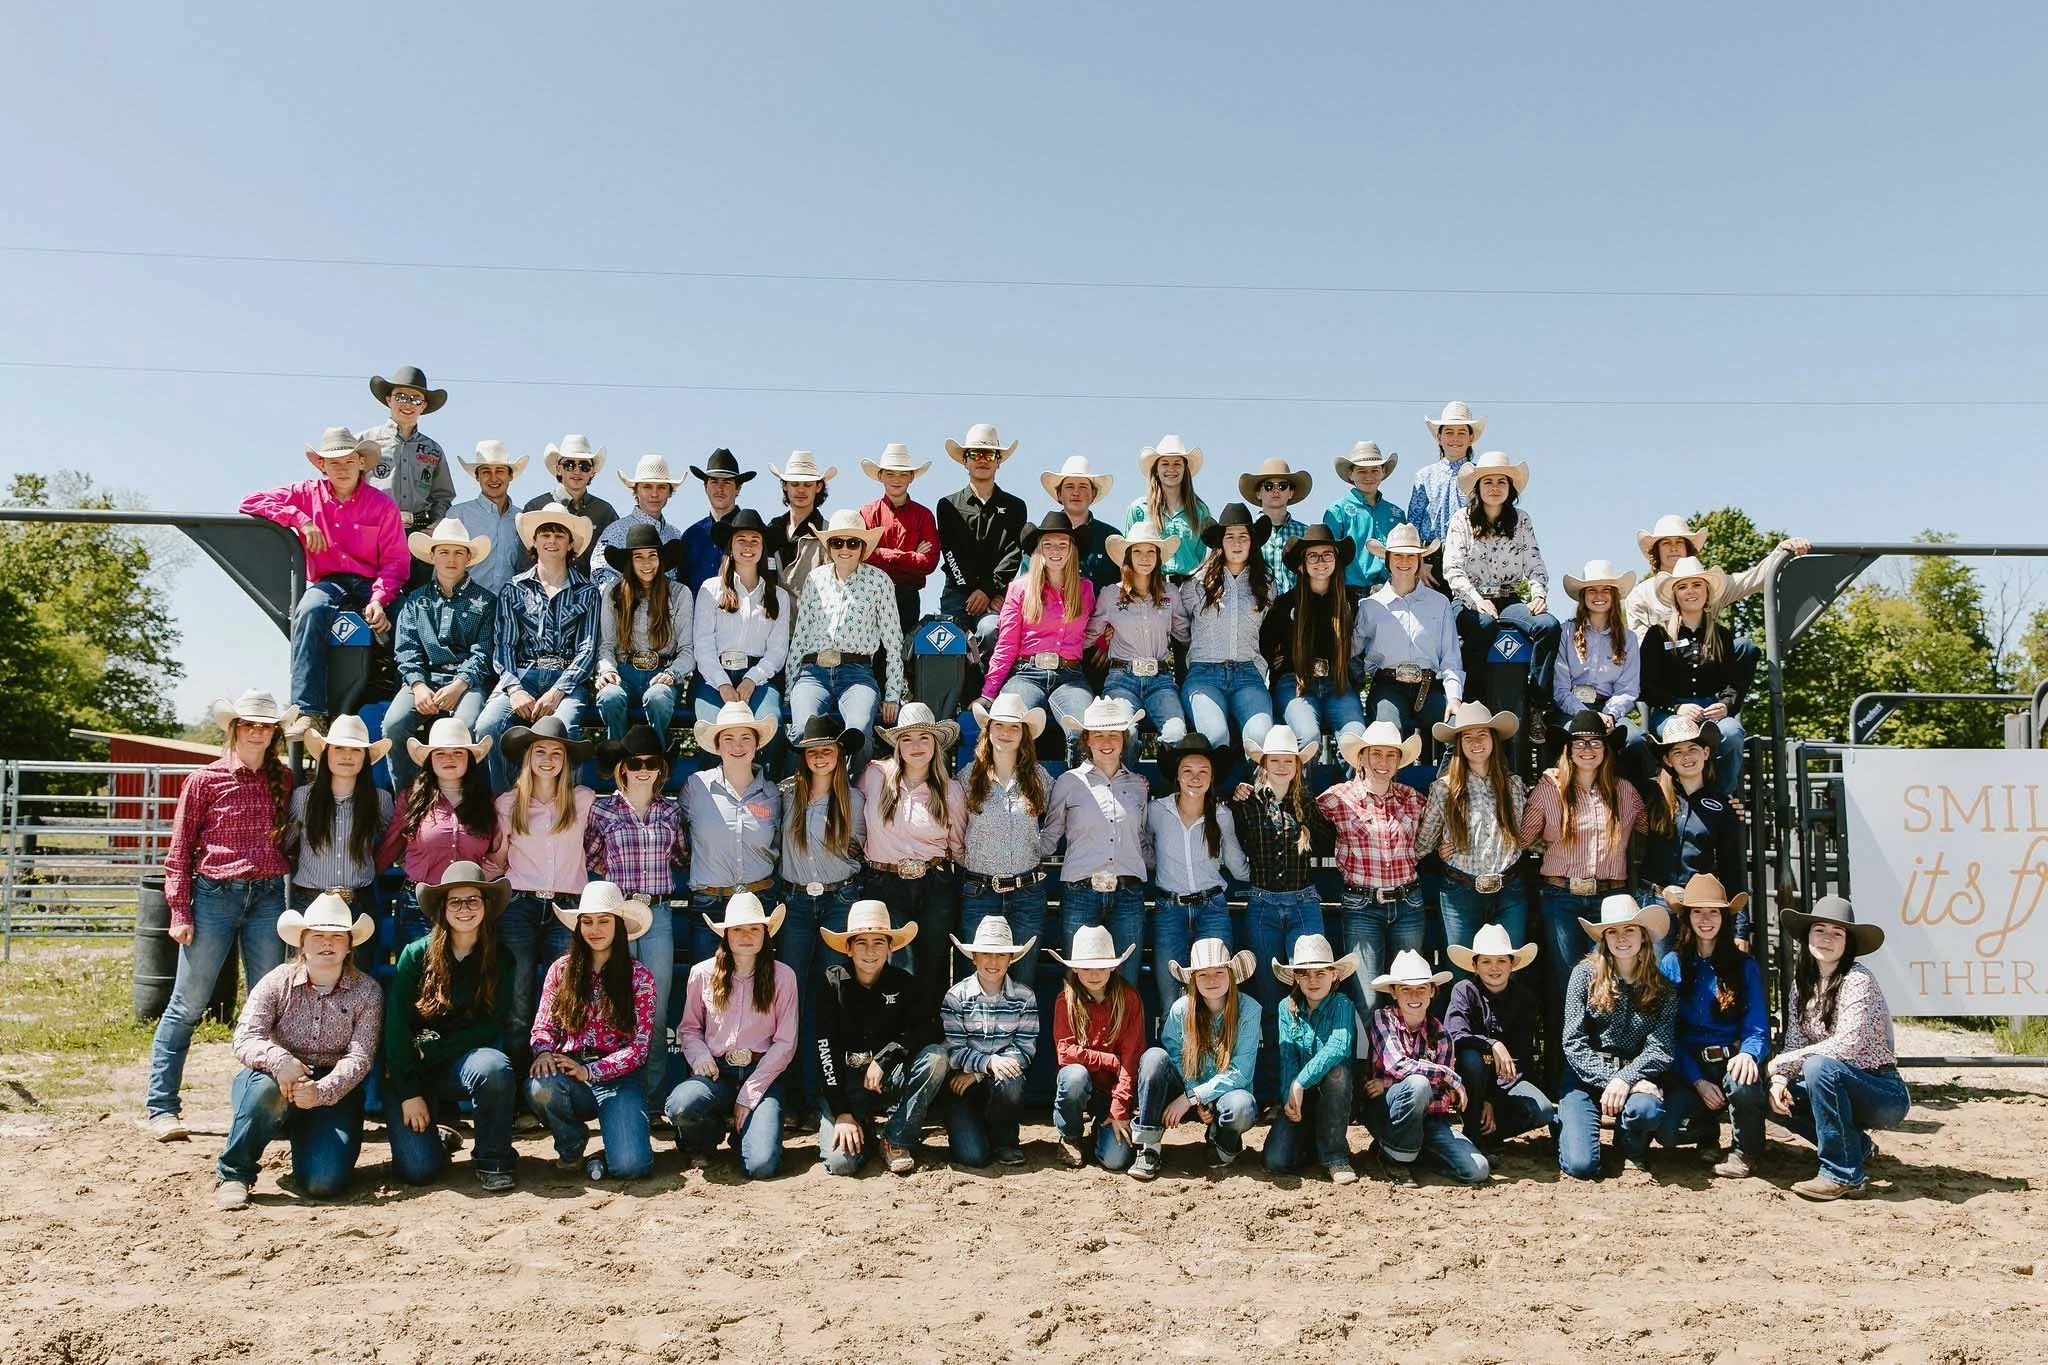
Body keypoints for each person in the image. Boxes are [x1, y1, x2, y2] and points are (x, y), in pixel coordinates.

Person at [144, 690, 295, 1141]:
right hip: (214, 895)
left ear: (273, 733)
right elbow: (179, 851)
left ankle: (265, 1108)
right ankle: (161, 1107)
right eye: (249, 724)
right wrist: (179, 909)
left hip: (268, 895)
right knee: (188, 1002)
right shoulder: (204, 781)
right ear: (234, 728)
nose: (257, 731)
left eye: (265, 726)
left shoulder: (283, 780)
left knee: (269, 1004)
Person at [211, 893, 382, 1209]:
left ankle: (308, 1133)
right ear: (302, 943)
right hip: (277, 1080)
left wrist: (323, 1091)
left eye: (336, 936)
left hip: (334, 1089)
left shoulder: (367, 991)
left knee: (323, 1182)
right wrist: (280, 1060)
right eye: (317, 935)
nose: (326, 943)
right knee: (267, 1090)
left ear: (349, 945)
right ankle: (235, 1173)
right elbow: (245, 1037)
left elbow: (360, 1056)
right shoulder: (278, 981)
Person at [240, 428, 408, 732]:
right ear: (322, 466)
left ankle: (402, 705)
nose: (341, 468)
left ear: (361, 462)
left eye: (347, 460)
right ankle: (308, 710)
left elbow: (396, 563)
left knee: (409, 618)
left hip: (372, 585)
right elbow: (250, 502)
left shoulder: (382, 505)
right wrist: (300, 519)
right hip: (329, 581)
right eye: (333, 462)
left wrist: (379, 600)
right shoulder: (306, 493)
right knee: (309, 610)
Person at [384, 863, 518, 1191]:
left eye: (473, 900)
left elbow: (491, 1025)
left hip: (459, 1064)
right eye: (455, 902)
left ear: (486, 906)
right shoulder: (415, 955)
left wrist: (435, 1047)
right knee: (418, 1171)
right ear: (443, 909)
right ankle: (437, 1139)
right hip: (411, 1071)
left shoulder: (501, 959)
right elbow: (396, 1028)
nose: (464, 909)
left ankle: (493, 1157)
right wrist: (409, 1092)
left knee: (494, 1066)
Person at [1767, 896, 1910, 1201]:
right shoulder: (1802, 983)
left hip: (1881, 1092)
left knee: (1820, 1067)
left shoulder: (1858, 980)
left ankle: (1843, 1175)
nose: (1826, 939)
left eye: (1837, 933)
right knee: (1768, 1094)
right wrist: (1779, 1078)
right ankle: (1856, 1147)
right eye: (1820, 929)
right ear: (1808, 936)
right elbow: (1795, 1039)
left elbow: (1846, 1044)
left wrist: (1782, 1063)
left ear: (1848, 943)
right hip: (1834, 1083)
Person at [526, 882, 657, 1182]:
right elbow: (543, 1025)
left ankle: (602, 1155)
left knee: (631, 1167)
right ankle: (571, 1145)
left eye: (603, 920)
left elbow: (639, 1048)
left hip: (619, 1080)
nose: (594, 929)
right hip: (569, 1075)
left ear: (619, 926)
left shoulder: (640, 977)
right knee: (541, 1087)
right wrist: (544, 1051)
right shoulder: (561, 970)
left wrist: (592, 1071)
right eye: (587, 921)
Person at [1520, 710, 1648, 1017]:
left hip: (1609, 900)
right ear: (1568, 749)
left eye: (1595, 743)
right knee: (1569, 984)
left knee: (1608, 982)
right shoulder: (1550, 789)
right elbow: (1522, 838)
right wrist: (1553, 847)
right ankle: (1569, 1062)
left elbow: (1652, 830)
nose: (1587, 749)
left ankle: (1606, 1057)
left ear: (1606, 751)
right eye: (1579, 743)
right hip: (1561, 897)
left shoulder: (1625, 792)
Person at [583, 726, 686, 1103]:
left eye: (651, 763)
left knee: (655, 1012)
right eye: (635, 763)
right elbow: (593, 858)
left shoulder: (671, 810)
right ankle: (617, 1095)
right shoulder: (602, 808)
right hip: (618, 913)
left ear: (661, 768)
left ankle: (654, 1097)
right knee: (615, 1004)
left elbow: (680, 856)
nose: (643, 770)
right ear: (622, 768)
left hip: (657, 913)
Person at [1231, 723, 1331, 1098]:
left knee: (1312, 992)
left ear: (1297, 764)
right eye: (1275, 760)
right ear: (1265, 762)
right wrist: (1234, 794)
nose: (1282, 766)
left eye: (1288, 760)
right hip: (1262, 904)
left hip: (1304, 901)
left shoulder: (1309, 803)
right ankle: (1276, 1089)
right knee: (1272, 1000)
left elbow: (1330, 840)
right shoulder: (1246, 801)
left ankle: (1313, 1085)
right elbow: (1225, 829)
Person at [669, 892, 799, 1180]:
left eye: (754, 928)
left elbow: (785, 1043)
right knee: (681, 1105)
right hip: (717, 1073)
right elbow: (689, 1028)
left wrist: (749, 1094)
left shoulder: (784, 976)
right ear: (726, 934)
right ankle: (709, 1133)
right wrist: (700, 1056)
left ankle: (746, 1133)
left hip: (762, 1073)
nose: (746, 935)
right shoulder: (702, 973)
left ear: (766, 934)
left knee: (761, 1166)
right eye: (738, 929)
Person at [815, 901, 950, 1176]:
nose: (870, 951)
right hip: (846, 1083)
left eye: (879, 942)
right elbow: (824, 1052)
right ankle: (858, 1123)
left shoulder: (904, 982)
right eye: (861, 942)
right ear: (848, 948)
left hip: (890, 1077)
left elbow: (929, 1028)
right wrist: (841, 1111)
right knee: (841, 1164)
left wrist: (886, 1056)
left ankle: (895, 1137)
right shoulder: (831, 984)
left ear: (891, 947)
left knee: (936, 1057)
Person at [476, 501, 600, 787]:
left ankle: (563, 812)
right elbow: (504, 646)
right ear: (535, 541)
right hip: (521, 675)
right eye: (545, 534)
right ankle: (505, 803)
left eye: (559, 535)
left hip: (566, 679)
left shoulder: (588, 592)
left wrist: (557, 692)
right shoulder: (514, 588)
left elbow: (587, 648)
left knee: (566, 729)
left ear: (571, 543)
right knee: (487, 726)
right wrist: (515, 690)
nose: (552, 541)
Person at [780, 718, 868, 1111]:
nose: (819, 756)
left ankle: (833, 1094)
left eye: (827, 749)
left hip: (841, 900)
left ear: (840, 755)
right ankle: (795, 1092)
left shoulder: (856, 799)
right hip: (796, 903)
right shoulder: (785, 795)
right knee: (792, 995)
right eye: (812, 750)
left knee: (836, 994)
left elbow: (862, 848)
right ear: (803, 756)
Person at [1658, 874, 1769, 1179]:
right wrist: (1697, 1080)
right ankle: (1705, 1135)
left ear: (1724, 917)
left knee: (1742, 1081)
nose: (1705, 919)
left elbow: (1757, 1026)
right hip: (1688, 1065)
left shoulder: (1744, 965)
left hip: (1730, 1059)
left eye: (1713, 912)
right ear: (1687, 917)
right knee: (1667, 1132)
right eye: (1697, 911)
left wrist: (1748, 1054)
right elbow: (1666, 1034)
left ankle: (1746, 1153)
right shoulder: (1671, 964)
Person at [1558, 895, 1676, 1182]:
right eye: (1612, 931)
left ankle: (1630, 1147)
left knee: (1645, 1110)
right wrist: (1615, 1078)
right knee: (1581, 1166)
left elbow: (1661, 1048)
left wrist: (1627, 1079)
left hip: (1634, 1080)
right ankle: (1567, 1124)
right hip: (1584, 1076)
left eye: (1629, 930)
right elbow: (1573, 1043)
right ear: (1604, 938)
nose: (1621, 938)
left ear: (1644, 936)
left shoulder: (1664, 988)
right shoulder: (1583, 975)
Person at [1442, 451, 1559, 736]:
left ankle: (1537, 703)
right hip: (1469, 598)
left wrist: (1538, 594)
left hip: (1509, 597)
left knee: (1548, 626)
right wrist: (1477, 600)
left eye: (1501, 482)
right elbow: (1452, 569)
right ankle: (1474, 700)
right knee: (1483, 624)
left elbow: (1535, 564)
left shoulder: (1522, 520)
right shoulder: (1461, 519)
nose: (1495, 487)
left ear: (1510, 488)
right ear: (1478, 488)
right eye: (1488, 481)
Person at [1317, 721, 1427, 1014]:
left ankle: (1406, 1059)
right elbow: (1296, 807)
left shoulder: (1413, 799)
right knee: (1367, 1000)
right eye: (1375, 754)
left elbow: (1442, 825)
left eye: (1391, 755)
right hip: (1362, 906)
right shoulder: (1337, 798)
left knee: (1409, 990)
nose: (1383, 762)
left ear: (1399, 761)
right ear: (1362, 758)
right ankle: (1371, 1061)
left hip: (1408, 904)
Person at [1041, 696, 1151, 988]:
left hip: (1128, 893)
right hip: (1081, 892)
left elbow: (1143, 838)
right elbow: (1051, 835)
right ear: (1086, 740)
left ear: (1124, 739)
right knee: (1078, 979)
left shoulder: (1139, 785)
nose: (1106, 741)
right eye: (1098, 734)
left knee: (1127, 981)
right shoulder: (1068, 782)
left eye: (1114, 734)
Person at [1128, 939, 1260, 1180]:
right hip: (1184, 1089)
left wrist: (1196, 1097)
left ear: (1231, 975)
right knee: (1153, 1057)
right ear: (1193, 979)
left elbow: (1241, 1071)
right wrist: (1192, 1095)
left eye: (1219, 972)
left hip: (1224, 1093)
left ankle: (1221, 1141)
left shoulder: (1249, 1010)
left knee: (1241, 1107)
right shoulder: (1181, 1009)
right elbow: (1175, 1055)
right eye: (1203, 975)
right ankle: (1149, 1146)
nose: (1212, 981)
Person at [383, 518, 498, 788]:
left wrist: (458, 686)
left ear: (469, 557)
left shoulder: (486, 602)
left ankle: (465, 798)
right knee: (393, 725)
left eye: (459, 552)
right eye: (444, 552)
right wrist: (419, 686)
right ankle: (408, 797)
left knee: (466, 725)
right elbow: (406, 649)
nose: (451, 559)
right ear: (432, 556)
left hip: (466, 682)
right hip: (424, 679)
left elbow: (483, 651)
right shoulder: (415, 601)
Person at [859, 704, 965, 996]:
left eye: (924, 738)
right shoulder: (875, 776)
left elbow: (957, 844)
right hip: (884, 882)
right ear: (897, 746)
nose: (916, 746)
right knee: (895, 965)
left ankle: (929, 1035)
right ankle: (894, 1037)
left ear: (935, 744)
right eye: (907, 738)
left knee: (933, 965)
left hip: (934, 883)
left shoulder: (950, 790)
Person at [1361, 949, 1491, 1186]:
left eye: (1422, 988)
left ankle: (1407, 1151)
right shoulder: (1383, 1019)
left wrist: (1388, 1083)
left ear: (1432, 991)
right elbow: (1397, 1063)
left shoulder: (1441, 1034)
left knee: (1477, 1170)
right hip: (1386, 1112)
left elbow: (1443, 1097)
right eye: (1406, 989)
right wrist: (1443, 1075)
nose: (1414, 995)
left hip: (1431, 1119)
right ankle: (1396, 1159)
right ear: (1393, 992)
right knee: (1418, 1084)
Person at [1418, 702, 1529, 967]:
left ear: (1493, 740)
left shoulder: (1513, 785)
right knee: (1460, 970)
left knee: (1507, 968)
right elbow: (1422, 844)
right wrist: (1437, 848)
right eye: (1467, 737)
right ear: (1459, 744)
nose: (1476, 742)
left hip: (1508, 888)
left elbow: (1527, 836)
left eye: (1482, 735)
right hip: (1461, 891)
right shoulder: (1444, 788)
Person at [979, 511, 1099, 756]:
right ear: (1039, 550)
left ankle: (1077, 792)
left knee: (1083, 732)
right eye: (1048, 545)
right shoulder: (1020, 588)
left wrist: (1106, 642)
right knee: (1009, 725)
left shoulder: (1085, 589)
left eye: (1062, 544)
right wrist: (988, 693)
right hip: (1026, 674)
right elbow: (1006, 644)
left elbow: (1097, 626)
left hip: (1070, 676)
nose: (1055, 550)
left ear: (1072, 550)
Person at [376, 718, 502, 950]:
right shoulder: (411, 799)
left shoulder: (487, 803)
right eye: (440, 753)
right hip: (419, 904)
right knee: (420, 979)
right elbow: (390, 846)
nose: (449, 759)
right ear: (429, 760)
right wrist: (364, 876)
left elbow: (498, 853)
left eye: (458, 752)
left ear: (470, 759)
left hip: (469, 906)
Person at [1146, 734, 1250, 1013]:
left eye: (1203, 771)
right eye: (1187, 771)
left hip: (1212, 909)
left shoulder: (1221, 814)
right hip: (1170, 909)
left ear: (1212, 777)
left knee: (1217, 995)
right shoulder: (1156, 811)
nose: (1195, 778)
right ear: (1177, 777)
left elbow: (1236, 863)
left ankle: (1218, 1053)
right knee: (1171, 994)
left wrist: (1265, 874)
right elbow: (1144, 850)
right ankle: (1177, 1054)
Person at [787, 509, 909, 744]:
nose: (844, 549)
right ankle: (806, 781)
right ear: (828, 547)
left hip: (857, 674)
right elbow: (801, 637)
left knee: (859, 731)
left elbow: (894, 642)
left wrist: (892, 695)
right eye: (837, 542)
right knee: (803, 731)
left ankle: (850, 780)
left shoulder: (880, 581)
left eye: (852, 543)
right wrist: (789, 687)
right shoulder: (814, 579)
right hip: (813, 673)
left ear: (863, 547)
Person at [1638, 556, 1757, 796]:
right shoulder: (1658, 634)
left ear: (1707, 592)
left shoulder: (1722, 635)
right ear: (1675, 595)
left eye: (1696, 585)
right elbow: (1647, 684)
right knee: (1681, 731)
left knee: (1733, 733)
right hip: (1669, 711)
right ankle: (1675, 800)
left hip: (1710, 709)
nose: (1690, 592)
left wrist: (1724, 706)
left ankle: (1721, 798)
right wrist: (1677, 707)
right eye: (1682, 586)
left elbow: (1732, 683)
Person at [959, 696, 1055, 985]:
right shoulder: (967, 778)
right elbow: (955, 828)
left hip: (1027, 893)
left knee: (1023, 979)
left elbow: (1059, 817)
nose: (1005, 732)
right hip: (979, 891)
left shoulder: (1040, 778)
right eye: (998, 725)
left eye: (1014, 727)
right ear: (987, 730)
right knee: (976, 981)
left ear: (1024, 734)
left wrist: (1040, 848)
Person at [681, 702, 783, 967]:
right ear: (717, 745)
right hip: (709, 904)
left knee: (759, 989)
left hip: (759, 904)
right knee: (707, 989)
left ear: (757, 744)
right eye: (729, 738)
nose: (737, 746)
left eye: (745, 738)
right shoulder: (696, 786)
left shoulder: (773, 794)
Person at [493, 717, 596, 974]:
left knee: (564, 990)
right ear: (528, 757)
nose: (548, 759)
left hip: (568, 906)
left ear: (565, 760)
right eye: (540, 751)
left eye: (556, 753)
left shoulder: (584, 800)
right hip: (519, 906)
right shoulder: (508, 804)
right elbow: (498, 858)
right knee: (518, 991)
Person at [1639, 715, 1749, 947]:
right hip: (1657, 902)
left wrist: (1740, 929)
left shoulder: (1722, 806)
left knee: (1700, 977)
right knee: (1660, 978)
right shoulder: (1651, 796)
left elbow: (1732, 867)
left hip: (1701, 908)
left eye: (1693, 748)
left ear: (1706, 753)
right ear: (1668, 760)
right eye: (1677, 752)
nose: (1686, 757)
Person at [1445, 924, 1556, 1152]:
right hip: (1471, 1079)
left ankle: (1488, 1133)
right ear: (1475, 966)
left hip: (1508, 1080)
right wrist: (1492, 1044)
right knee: (1472, 1059)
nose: (1494, 968)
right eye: (1486, 961)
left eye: (1501, 961)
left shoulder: (1524, 999)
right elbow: (1455, 1035)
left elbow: (1522, 1056)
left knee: (1542, 1109)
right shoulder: (1464, 990)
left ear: (1512, 964)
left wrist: (1493, 1101)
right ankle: (1473, 1131)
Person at [1260, 524, 1367, 755]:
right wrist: (1282, 664)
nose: (1321, 561)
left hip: (1337, 683)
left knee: (1356, 736)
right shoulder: (1285, 604)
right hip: (1295, 683)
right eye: (1313, 556)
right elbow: (1266, 644)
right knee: (1308, 736)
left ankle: (1350, 791)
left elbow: (1361, 646)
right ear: (1302, 564)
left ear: (1337, 560)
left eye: (1327, 554)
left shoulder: (1350, 603)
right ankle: (1301, 791)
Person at [941, 915, 1039, 1168]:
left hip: (994, 1079)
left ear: (1011, 959)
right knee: (973, 1157)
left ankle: (1005, 1141)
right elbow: (953, 1050)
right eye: (986, 954)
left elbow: (1025, 1050)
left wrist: (982, 1071)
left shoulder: (1025, 997)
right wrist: (990, 1062)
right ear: (974, 957)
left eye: (1001, 955)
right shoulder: (956, 996)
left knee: (1011, 1079)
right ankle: (974, 1129)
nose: (993, 962)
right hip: (961, 1086)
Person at [1262, 934, 1361, 1184]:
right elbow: (1287, 1057)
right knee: (1276, 1161)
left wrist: (1300, 1083)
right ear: (1295, 977)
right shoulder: (1287, 1007)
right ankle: (1312, 1141)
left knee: (1338, 1073)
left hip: (1333, 1099)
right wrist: (1288, 1097)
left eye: (1320, 973)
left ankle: (1336, 1155)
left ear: (1334, 975)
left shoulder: (1342, 1004)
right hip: (1300, 1097)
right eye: (1304, 974)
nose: (1312, 980)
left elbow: (1339, 1046)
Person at [687, 507, 790, 739]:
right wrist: (723, 683)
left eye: (755, 540)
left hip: (758, 678)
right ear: (730, 547)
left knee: (770, 724)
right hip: (713, 677)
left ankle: (766, 775)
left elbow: (777, 650)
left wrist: (751, 679)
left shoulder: (779, 597)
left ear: (763, 548)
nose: (748, 546)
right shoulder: (710, 589)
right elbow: (703, 646)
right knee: (712, 730)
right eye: (740, 540)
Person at [1180, 502, 1276, 752]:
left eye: (1243, 536)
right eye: (1229, 536)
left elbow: (1267, 630)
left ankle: (1255, 791)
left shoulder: (1266, 584)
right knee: (1215, 736)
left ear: (1252, 541)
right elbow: (1178, 624)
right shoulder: (1195, 584)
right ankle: (1216, 792)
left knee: (1260, 737)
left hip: (1248, 674)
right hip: (1204, 674)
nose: (1236, 543)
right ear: (1220, 543)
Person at [1624, 513, 1812, 638]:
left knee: (1745, 648)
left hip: (1708, 667)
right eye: (1666, 543)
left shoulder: (1711, 585)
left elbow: (1754, 578)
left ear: (1688, 548)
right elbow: (1640, 646)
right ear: (1656, 551)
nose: (1673, 547)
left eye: (1679, 542)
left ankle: (1728, 699)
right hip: (1663, 674)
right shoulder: (1639, 595)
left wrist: (1782, 551)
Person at [1048, 926, 1144, 1171]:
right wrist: (1109, 1060)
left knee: (1116, 1160)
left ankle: (1100, 1132)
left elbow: (1131, 1058)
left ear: (1113, 967)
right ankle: (1070, 1135)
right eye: (1087, 967)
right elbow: (1065, 1053)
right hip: (1081, 1087)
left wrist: (1119, 1106)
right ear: (1075, 969)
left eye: (1101, 967)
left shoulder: (1129, 999)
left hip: (1113, 1090)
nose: (1094, 974)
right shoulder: (1066, 1000)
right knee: (1073, 1076)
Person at [1089, 521, 1190, 745]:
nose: (1144, 557)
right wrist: (1103, 641)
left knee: (1176, 735)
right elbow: (1088, 635)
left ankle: (1167, 780)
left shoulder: (1170, 593)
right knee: (1127, 735)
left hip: (1161, 679)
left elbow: (1185, 634)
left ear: (1158, 557)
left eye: (1150, 551)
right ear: (1128, 556)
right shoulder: (1110, 594)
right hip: (1121, 680)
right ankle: (1123, 780)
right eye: (1137, 551)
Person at [593, 523, 695, 743]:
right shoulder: (613, 592)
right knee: (610, 697)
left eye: (652, 556)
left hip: (662, 672)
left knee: (657, 697)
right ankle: (618, 754)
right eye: (638, 557)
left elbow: (688, 650)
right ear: (630, 561)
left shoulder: (679, 593)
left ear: (661, 559)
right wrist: (607, 671)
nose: (646, 563)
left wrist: (672, 674)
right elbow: (606, 645)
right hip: (624, 672)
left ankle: (656, 758)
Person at [286, 716, 393, 921]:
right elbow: (287, 844)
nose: (347, 756)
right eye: (339, 748)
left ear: (365, 758)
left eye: (356, 750)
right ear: (326, 754)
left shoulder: (381, 801)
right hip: (309, 901)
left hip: (359, 902)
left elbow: (388, 844)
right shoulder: (302, 798)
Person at [935, 423, 1028, 653]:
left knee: (991, 632)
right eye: (974, 454)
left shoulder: (1015, 507)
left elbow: (1013, 554)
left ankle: (989, 690)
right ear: (964, 461)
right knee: (948, 643)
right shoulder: (948, 505)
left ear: (999, 461)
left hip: (996, 595)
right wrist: (973, 592)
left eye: (989, 454)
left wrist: (988, 591)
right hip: (957, 594)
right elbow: (950, 553)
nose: (982, 460)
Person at [1553, 559, 1641, 745]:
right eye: (1592, 590)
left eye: (1606, 590)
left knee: (1635, 740)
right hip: (1573, 708)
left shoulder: (1629, 638)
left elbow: (1628, 688)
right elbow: (1560, 688)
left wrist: (1609, 714)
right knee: (1570, 737)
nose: (1599, 595)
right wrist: (1588, 715)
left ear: (1614, 595)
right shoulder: (1565, 633)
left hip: (1610, 708)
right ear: (1583, 595)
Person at [362, 365, 454, 534]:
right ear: (389, 399)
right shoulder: (364, 441)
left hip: (418, 532)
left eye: (416, 399)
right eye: (401, 396)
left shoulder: (433, 450)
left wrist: (432, 527)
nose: (408, 403)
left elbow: (443, 496)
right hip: (372, 531)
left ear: (423, 405)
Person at [859, 442, 939, 634]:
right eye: (890, 473)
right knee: (871, 656)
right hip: (871, 595)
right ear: (880, 476)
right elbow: (863, 556)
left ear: (911, 477)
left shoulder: (924, 515)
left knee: (904, 653)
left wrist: (881, 553)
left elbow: (929, 563)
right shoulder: (866, 513)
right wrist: (911, 556)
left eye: (903, 473)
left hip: (907, 597)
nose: (897, 479)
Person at [1407, 401, 1483, 586]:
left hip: (1470, 553)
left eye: (1461, 432)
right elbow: (1413, 523)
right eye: (1449, 432)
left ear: (1471, 438)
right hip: (1431, 558)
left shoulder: (1481, 475)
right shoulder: (1424, 476)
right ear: (1439, 437)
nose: (1454, 438)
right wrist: (1419, 562)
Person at [522, 435, 617, 576]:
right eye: (569, 465)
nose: (577, 471)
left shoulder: (604, 512)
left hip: (592, 594)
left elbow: (615, 557)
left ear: (592, 472)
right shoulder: (536, 507)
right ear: (559, 469)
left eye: (584, 466)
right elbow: (525, 561)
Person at [591, 453, 686, 590]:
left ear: (669, 492)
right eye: (647, 487)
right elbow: (601, 578)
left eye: (661, 487)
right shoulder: (615, 531)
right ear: (636, 491)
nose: (654, 494)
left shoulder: (676, 535)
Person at [1321, 442, 1407, 592]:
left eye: (1375, 470)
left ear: (1383, 472)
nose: (1369, 476)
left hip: (1392, 592)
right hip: (1350, 593)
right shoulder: (1338, 511)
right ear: (1351, 473)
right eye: (1362, 471)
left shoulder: (1397, 514)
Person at [1124, 435, 1212, 579]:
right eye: (1165, 464)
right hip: (1151, 586)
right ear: (1156, 470)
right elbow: (1128, 554)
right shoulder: (1139, 509)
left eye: (1177, 464)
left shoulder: (1200, 511)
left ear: (1185, 470)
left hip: (1189, 587)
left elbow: (1201, 556)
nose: (1171, 469)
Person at [448, 441, 526, 596]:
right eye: (486, 472)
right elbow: (442, 571)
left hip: (508, 610)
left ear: (511, 475)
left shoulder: (522, 519)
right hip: (465, 608)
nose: (493, 478)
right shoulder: (458, 515)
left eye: (500, 471)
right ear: (477, 476)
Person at [1037, 455, 1122, 591]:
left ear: (1093, 494)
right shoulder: (1039, 536)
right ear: (1059, 494)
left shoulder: (1111, 538)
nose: (1076, 492)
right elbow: (1028, 581)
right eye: (1069, 486)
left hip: (1102, 611)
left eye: (1083, 486)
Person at [763, 450, 832, 616]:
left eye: (807, 484)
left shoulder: (829, 534)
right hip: (771, 629)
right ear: (785, 486)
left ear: (818, 487)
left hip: (814, 632)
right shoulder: (770, 530)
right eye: (795, 484)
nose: (801, 490)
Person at [677, 448, 753, 594]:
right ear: (705, 487)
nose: (720, 488)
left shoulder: (752, 533)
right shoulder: (691, 537)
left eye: (727, 482)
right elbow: (682, 588)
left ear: (738, 488)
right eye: (714, 481)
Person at [1241, 456, 1312, 594]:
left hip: (1295, 610)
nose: (1275, 491)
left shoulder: (1306, 534)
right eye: (1268, 486)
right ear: (1258, 493)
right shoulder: (1246, 534)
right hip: (1257, 610)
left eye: (1282, 486)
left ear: (1291, 492)